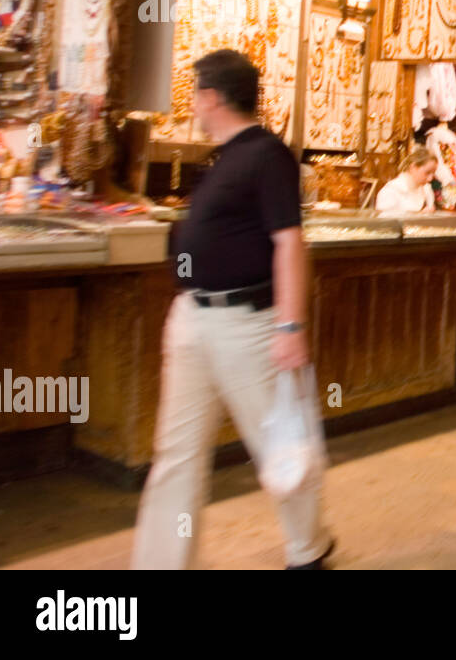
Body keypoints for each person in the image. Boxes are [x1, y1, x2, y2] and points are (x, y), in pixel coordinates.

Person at [132, 49, 333, 570]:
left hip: (248, 325)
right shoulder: (225, 156)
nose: (193, 104)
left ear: (212, 97)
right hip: (194, 319)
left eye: (196, 93)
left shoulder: (267, 155)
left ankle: (308, 548)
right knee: (176, 453)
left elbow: (290, 243)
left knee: (278, 449)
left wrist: (291, 326)